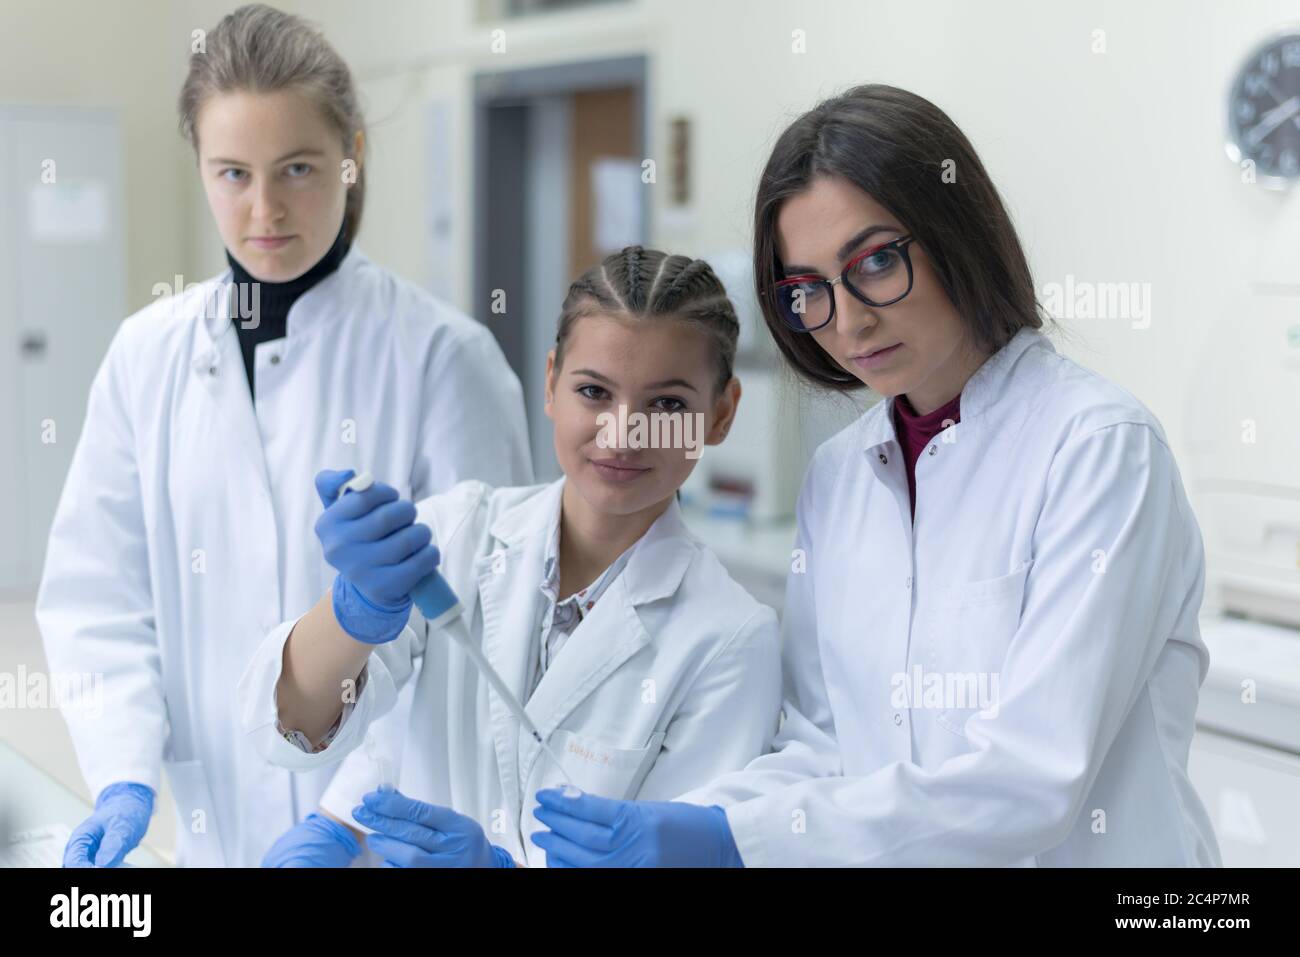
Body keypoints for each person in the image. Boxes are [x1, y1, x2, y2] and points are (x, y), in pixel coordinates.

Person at [528, 85, 1222, 868]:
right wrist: (680, 822)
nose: (848, 320)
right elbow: (824, 745)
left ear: (957, 233)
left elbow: (1032, 778)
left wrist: (733, 841)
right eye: (807, 289)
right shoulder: (842, 474)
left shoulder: (1098, 449)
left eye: (876, 262)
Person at [38, 3, 531, 868]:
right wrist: (123, 773)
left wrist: (344, 818)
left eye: (297, 167)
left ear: (352, 157)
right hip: (212, 826)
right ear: (199, 166)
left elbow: (483, 627)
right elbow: (96, 595)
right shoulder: (144, 354)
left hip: (384, 835)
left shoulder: (445, 358)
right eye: (232, 172)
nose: (264, 209)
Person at [241, 247, 782, 867]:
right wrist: (352, 613)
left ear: (720, 413)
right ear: (551, 383)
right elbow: (294, 726)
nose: (622, 432)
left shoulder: (731, 639)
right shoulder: (461, 531)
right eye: (593, 391)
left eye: (666, 405)